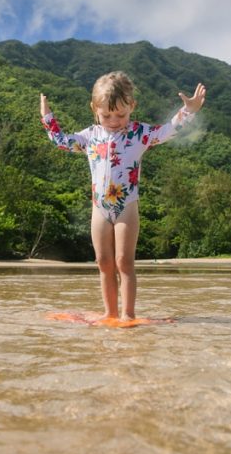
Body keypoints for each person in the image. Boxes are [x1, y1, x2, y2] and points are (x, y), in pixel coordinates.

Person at [40, 72, 206, 320]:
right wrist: (47, 117)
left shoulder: (139, 134)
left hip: (126, 207)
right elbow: (60, 140)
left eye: (121, 114)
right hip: (99, 209)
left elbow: (168, 131)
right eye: (106, 115)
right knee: (103, 262)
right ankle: (110, 314)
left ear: (132, 107)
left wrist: (189, 111)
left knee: (123, 262)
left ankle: (128, 315)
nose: (114, 120)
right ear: (94, 109)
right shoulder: (90, 136)